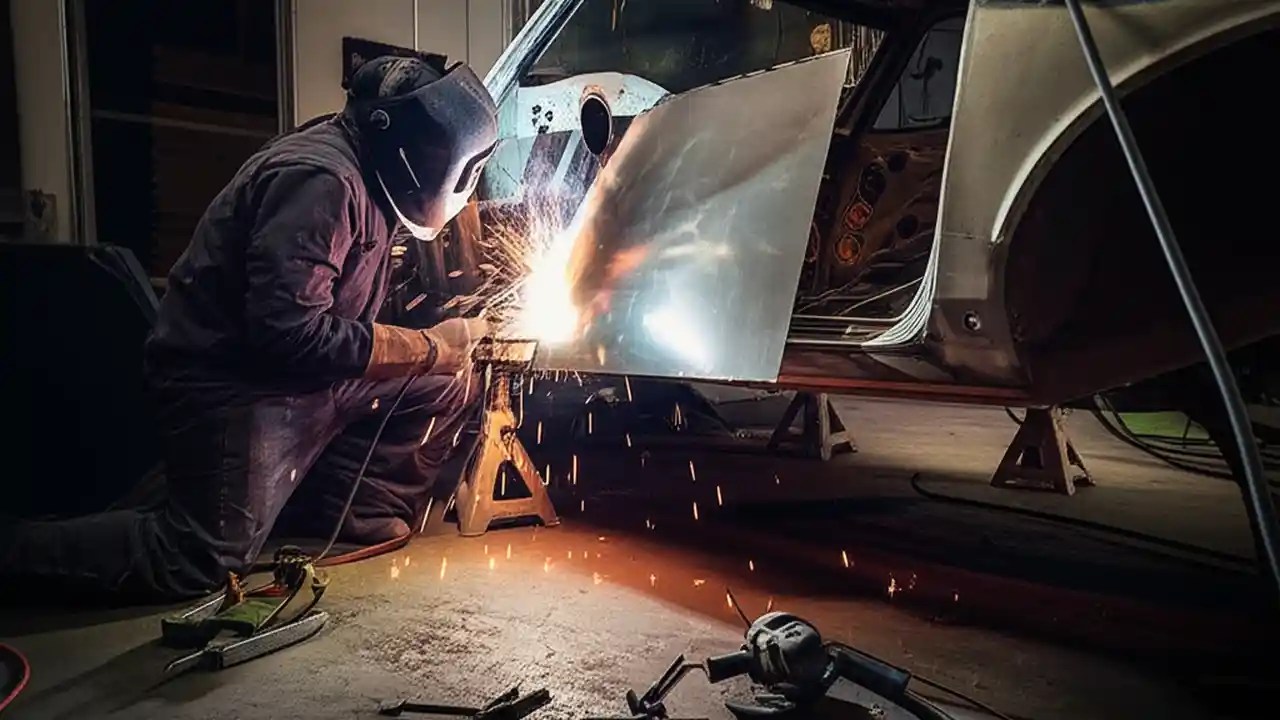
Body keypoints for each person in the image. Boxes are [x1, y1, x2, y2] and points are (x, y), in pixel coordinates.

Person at [0, 55, 498, 601]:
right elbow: (286, 332)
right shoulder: (323, 180)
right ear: (417, 155)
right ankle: (15, 550)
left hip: (307, 377)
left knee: (449, 379)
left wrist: (432, 349)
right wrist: (427, 347)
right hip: (238, 388)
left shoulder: (368, 175)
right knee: (195, 558)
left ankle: (345, 507)